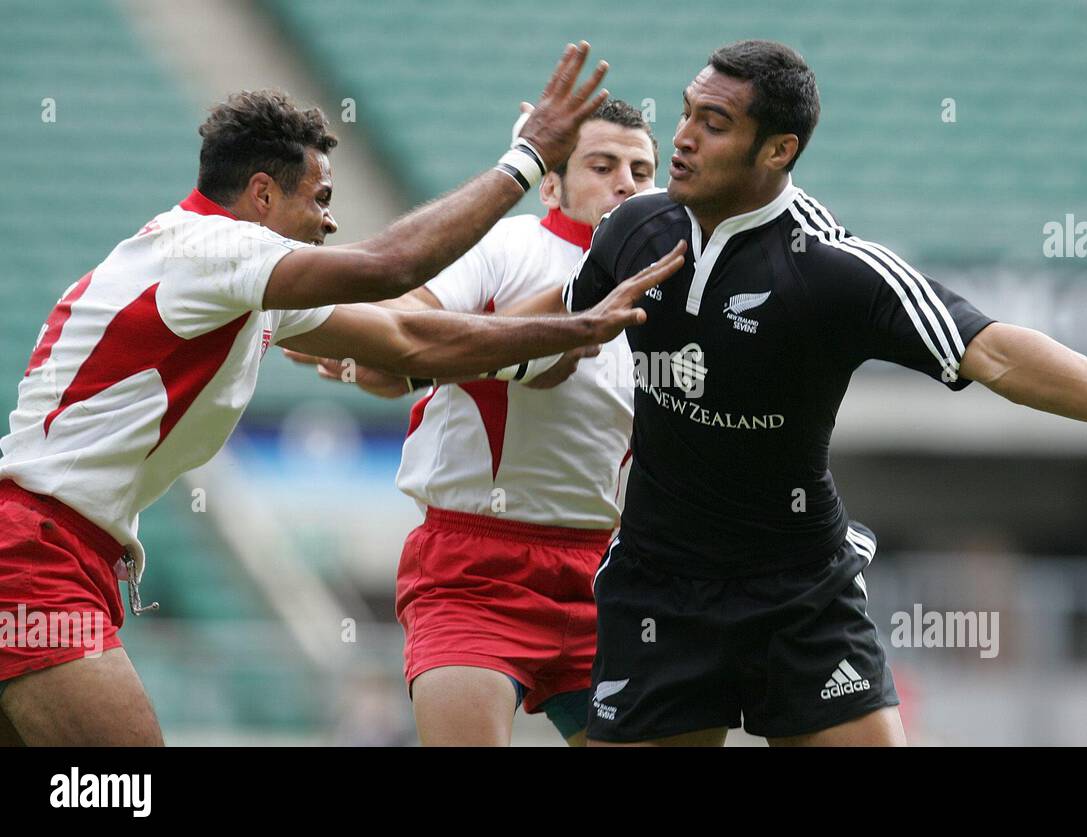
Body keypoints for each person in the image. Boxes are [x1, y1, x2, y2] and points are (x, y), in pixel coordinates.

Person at [0, 43, 685, 746]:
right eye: (320, 200)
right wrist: (525, 159)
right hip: (31, 551)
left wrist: (575, 327)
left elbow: (411, 344)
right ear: (263, 195)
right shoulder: (210, 250)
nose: (330, 225)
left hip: (53, 546)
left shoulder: (238, 279)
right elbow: (391, 270)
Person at [520, 39, 1087, 746]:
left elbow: (993, 350)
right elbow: (554, 320)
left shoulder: (833, 269)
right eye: (686, 114)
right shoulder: (634, 229)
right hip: (659, 593)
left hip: (799, 600)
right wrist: (431, 345)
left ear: (777, 150)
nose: (681, 138)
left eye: (713, 124)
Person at [288, 99, 659, 746]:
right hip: (473, 566)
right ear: (551, 183)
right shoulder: (507, 244)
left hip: (610, 571)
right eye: (601, 165)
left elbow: (390, 367)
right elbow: (396, 333)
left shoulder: (674, 284)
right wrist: (389, 362)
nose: (625, 182)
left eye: (641, 169)